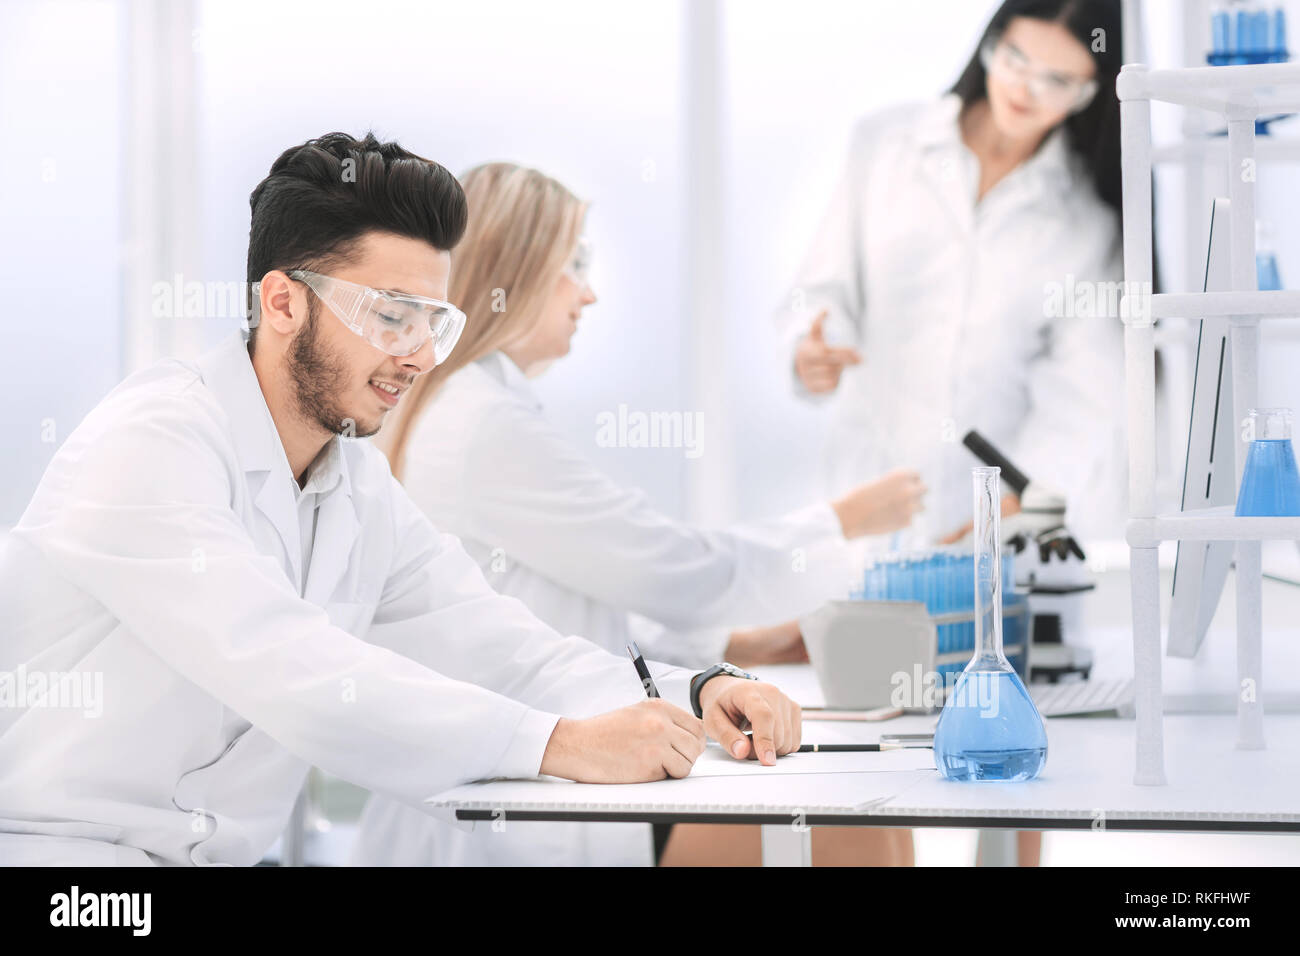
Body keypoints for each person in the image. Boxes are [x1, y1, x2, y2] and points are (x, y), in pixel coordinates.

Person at [0, 132, 802, 866]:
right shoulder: (156, 440)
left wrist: (697, 689)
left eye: (432, 323)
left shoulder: (355, 487)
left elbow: (504, 646)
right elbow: (293, 668)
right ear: (282, 303)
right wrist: (556, 744)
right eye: (390, 316)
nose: (417, 356)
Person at [350, 162, 926, 867]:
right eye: (574, 264)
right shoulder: (482, 427)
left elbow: (566, 610)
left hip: (538, 773)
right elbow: (675, 571)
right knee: (857, 816)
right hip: (518, 811)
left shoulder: (470, 409)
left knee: (868, 816)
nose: (588, 293)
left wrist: (736, 645)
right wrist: (841, 521)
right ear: (516, 267)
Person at [779, 0, 1128, 549]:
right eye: (1016, 59)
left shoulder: (1088, 222)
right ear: (992, 42)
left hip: (988, 517)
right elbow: (822, 292)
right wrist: (809, 350)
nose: (1025, 88)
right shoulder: (886, 144)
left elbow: (1084, 395)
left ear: (1089, 91)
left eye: (1056, 79)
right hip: (868, 493)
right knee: (854, 626)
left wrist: (1023, 499)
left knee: (981, 626)